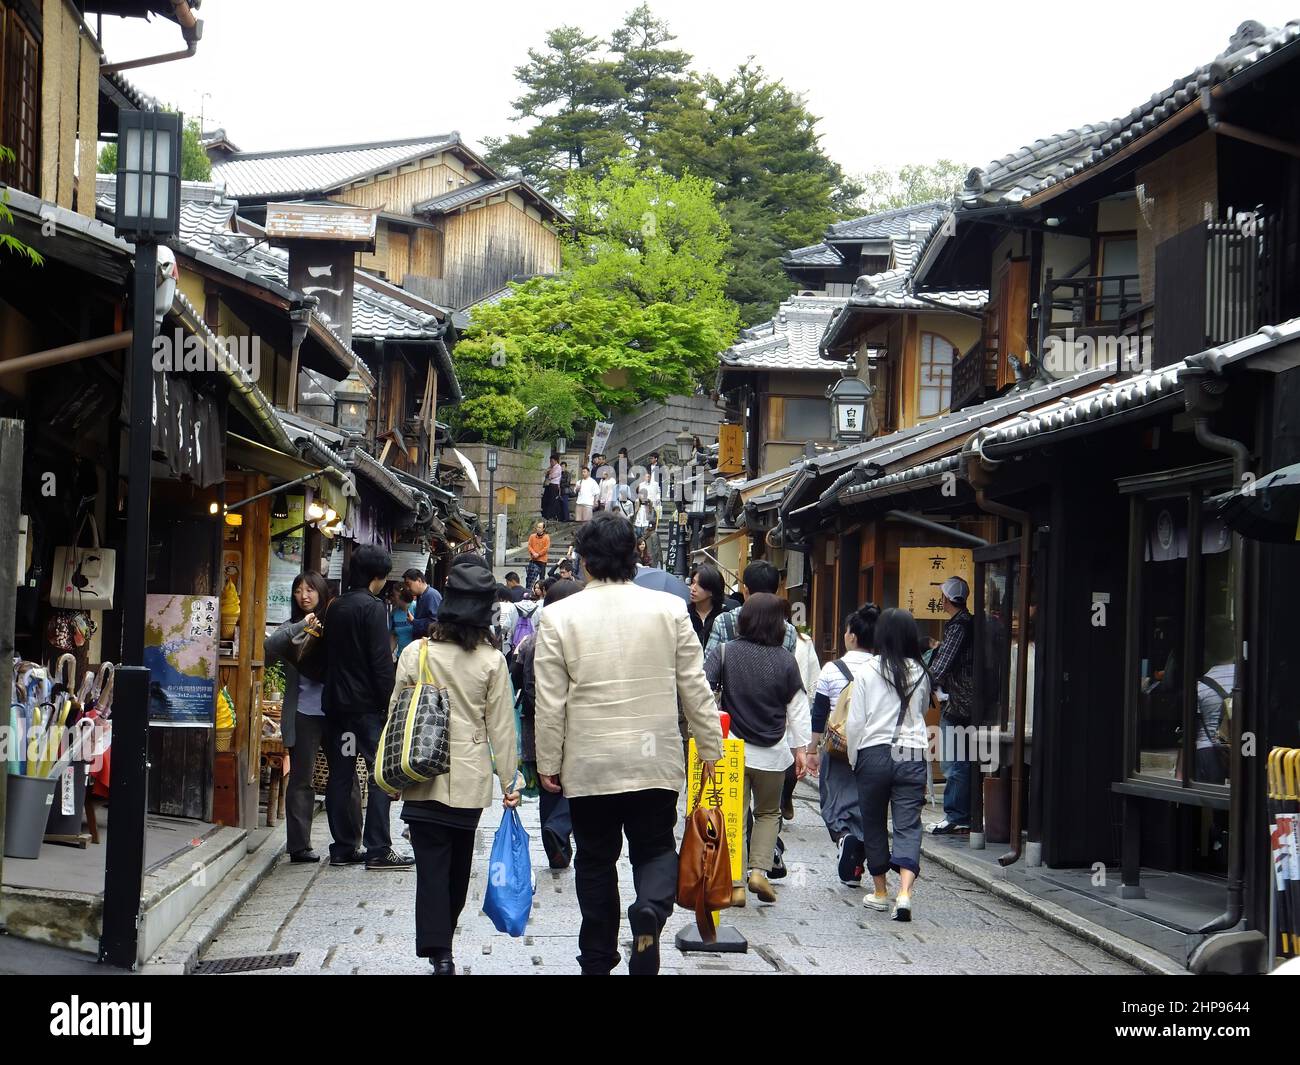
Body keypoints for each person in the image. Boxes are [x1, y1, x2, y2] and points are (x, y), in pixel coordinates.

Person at [534, 512, 723, 976]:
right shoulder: (669, 609)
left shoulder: (558, 616)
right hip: (653, 759)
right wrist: (710, 750)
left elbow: (550, 700)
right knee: (656, 848)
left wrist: (548, 761)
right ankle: (651, 913)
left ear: (584, 561)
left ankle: (597, 959)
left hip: (590, 762)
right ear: (635, 557)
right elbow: (694, 687)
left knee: (596, 859)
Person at [393, 557, 522, 974]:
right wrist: (510, 780)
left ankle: (439, 949)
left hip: (420, 772)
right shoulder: (491, 662)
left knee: (430, 865)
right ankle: (443, 940)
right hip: (468, 779)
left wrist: (390, 775)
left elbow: (397, 714)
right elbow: (502, 727)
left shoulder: (417, 652)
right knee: (458, 866)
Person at [704, 593, 809, 905]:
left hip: (731, 749)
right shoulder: (786, 661)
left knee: (733, 814)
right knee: (767, 812)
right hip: (774, 753)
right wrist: (801, 748)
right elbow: (798, 708)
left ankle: (735, 884)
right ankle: (759, 872)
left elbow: (703, 692)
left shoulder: (725, 652)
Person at [322, 544, 414, 870]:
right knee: (379, 774)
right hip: (365, 710)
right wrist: (389, 702)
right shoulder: (373, 608)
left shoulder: (336, 606)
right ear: (379, 576)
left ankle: (343, 846)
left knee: (342, 774)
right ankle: (378, 847)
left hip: (337, 708)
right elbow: (380, 662)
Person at [265, 572, 359, 864]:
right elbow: (269, 649)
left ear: (321, 592)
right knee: (301, 780)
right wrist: (301, 625)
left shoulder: (336, 623)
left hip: (337, 715)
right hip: (303, 714)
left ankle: (351, 841)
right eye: (298, 590)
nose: (304, 595)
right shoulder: (292, 628)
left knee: (347, 777)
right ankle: (299, 846)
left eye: (309, 589)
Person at [848, 608, 931, 921]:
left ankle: (880, 891)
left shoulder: (868, 670)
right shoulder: (922, 672)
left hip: (874, 751)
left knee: (873, 822)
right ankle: (905, 894)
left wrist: (856, 757)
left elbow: (856, 721)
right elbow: (921, 711)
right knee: (908, 823)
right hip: (911, 752)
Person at [511, 577, 584, 869]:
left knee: (548, 786)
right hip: (575, 723)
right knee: (572, 785)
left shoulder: (530, 642)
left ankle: (556, 846)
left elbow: (515, 679)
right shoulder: (580, 642)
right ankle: (561, 829)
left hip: (536, 725)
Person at [807, 605, 880, 886]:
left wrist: (812, 749)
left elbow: (819, 712)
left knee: (833, 798)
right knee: (866, 801)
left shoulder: (832, 669)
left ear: (851, 636)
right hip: (873, 747)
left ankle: (843, 836)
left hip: (839, 745)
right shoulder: (884, 668)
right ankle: (857, 861)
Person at [927, 576, 974, 835]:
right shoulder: (966, 623)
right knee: (962, 759)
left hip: (959, 702)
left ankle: (956, 815)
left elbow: (943, 664)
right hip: (966, 700)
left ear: (946, 598)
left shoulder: (959, 626)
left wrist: (923, 682)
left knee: (953, 761)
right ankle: (963, 815)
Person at [704, 560, 799, 661]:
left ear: (746, 591)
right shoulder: (788, 631)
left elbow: (708, 665)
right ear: (776, 592)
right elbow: (788, 670)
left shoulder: (723, 622)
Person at [688, 562, 726, 648]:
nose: (693, 588)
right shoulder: (684, 613)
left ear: (712, 590)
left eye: (699, 585)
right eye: (693, 582)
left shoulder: (724, 615)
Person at [403, 568, 443, 640]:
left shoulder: (431, 595)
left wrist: (414, 621)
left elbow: (435, 623)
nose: (408, 588)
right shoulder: (421, 595)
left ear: (419, 580)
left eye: (408, 584)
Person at [388, 583, 415, 658]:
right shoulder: (394, 613)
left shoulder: (416, 607)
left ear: (401, 597)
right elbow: (393, 635)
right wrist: (389, 655)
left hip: (415, 657)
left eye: (394, 595)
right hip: (401, 656)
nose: (392, 598)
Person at [493, 584, 520, 658]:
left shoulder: (495, 605)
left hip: (497, 637)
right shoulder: (514, 606)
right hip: (510, 638)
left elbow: (494, 623)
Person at [526, 520, 550, 589]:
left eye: (540, 527)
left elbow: (546, 548)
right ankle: (529, 589)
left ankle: (541, 590)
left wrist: (538, 554)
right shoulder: (532, 536)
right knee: (530, 577)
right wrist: (533, 553)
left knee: (542, 578)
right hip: (533, 559)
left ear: (543, 529)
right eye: (537, 527)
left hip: (542, 560)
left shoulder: (546, 537)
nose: (538, 529)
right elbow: (529, 546)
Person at [541, 454, 563, 519]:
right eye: (550, 461)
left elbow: (552, 476)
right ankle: (545, 514)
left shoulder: (558, 467)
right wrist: (548, 471)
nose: (551, 462)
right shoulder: (551, 467)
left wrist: (549, 473)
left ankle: (550, 515)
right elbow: (545, 474)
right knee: (545, 499)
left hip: (554, 485)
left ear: (556, 461)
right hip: (549, 485)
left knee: (552, 501)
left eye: (552, 461)